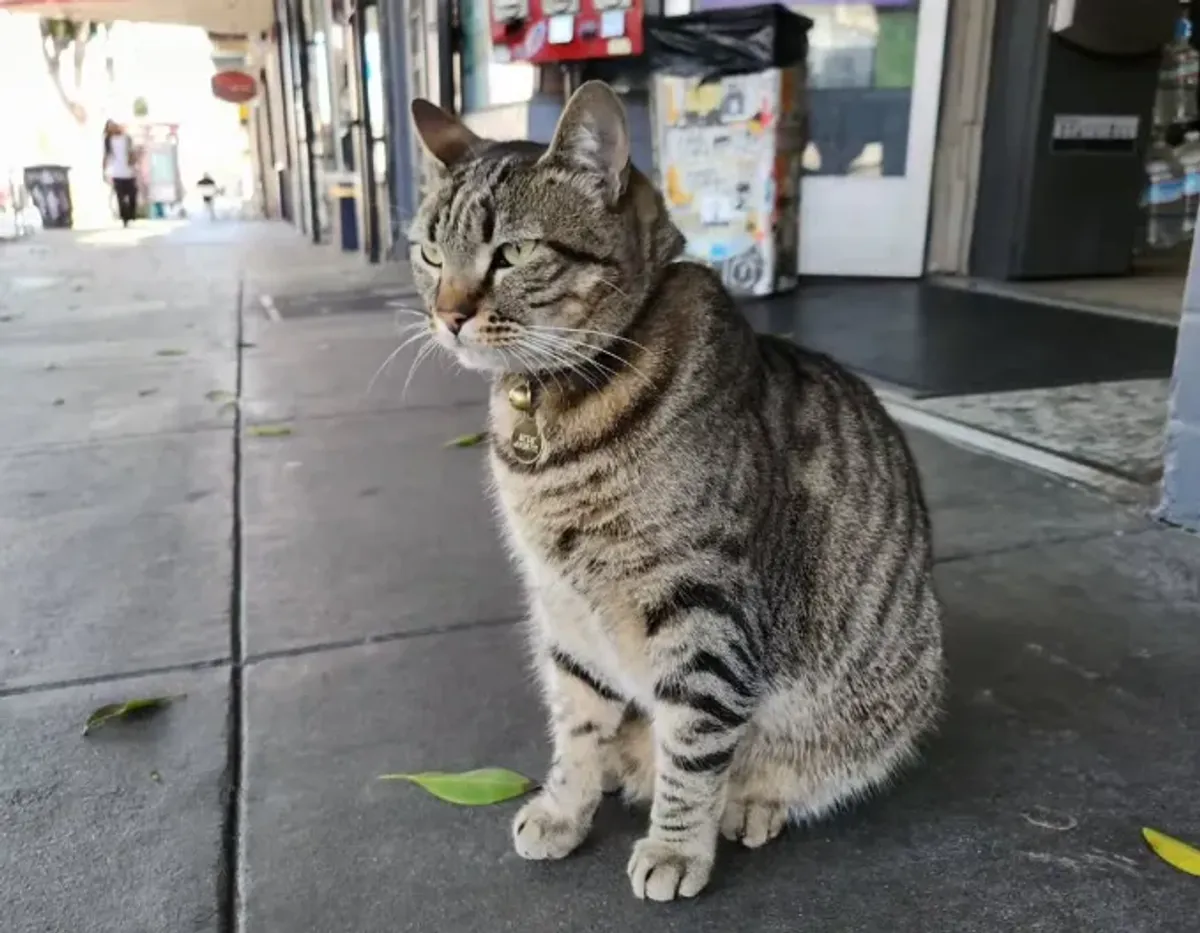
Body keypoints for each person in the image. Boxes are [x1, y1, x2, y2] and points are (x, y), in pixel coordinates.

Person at [103, 120, 138, 227]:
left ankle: (131, 215)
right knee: (120, 197)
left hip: (129, 172)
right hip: (117, 173)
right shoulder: (108, 140)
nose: (113, 128)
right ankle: (125, 219)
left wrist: (133, 163)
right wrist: (104, 171)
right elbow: (106, 156)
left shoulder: (126, 138)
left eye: (114, 126)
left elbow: (132, 152)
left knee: (132, 194)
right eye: (110, 127)